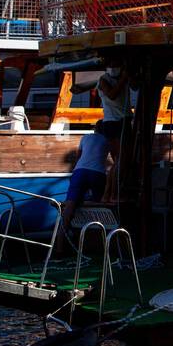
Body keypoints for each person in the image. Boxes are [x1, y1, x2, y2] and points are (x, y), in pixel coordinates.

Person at [57, 123, 110, 241]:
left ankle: (59, 247)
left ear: (95, 129)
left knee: (69, 207)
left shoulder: (85, 137)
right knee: (99, 205)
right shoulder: (108, 140)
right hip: (97, 173)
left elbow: (79, 157)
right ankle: (97, 240)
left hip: (79, 171)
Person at [96, 66, 132, 202]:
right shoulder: (103, 80)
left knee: (119, 161)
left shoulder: (123, 78)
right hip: (114, 122)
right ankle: (114, 195)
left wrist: (128, 78)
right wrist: (124, 78)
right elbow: (112, 94)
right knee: (121, 160)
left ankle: (108, 194)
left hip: (121, 121)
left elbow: (134, 86)